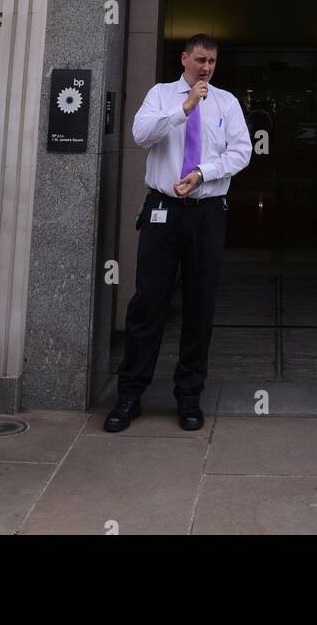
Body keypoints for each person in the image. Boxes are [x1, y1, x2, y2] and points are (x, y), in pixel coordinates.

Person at [104, 33, 252, 432]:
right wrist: (183, 109)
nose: (206, 68)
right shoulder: (161, 95)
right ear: (184, 58)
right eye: (200, 59)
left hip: (207, 212)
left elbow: (241, 152)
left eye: (212, 61)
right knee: (148, 303)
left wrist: (204, 173)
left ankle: (189, 396)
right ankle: (130, 394)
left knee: (199, 306)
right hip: (163, 210)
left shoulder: (227, 103)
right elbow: (140, 134)